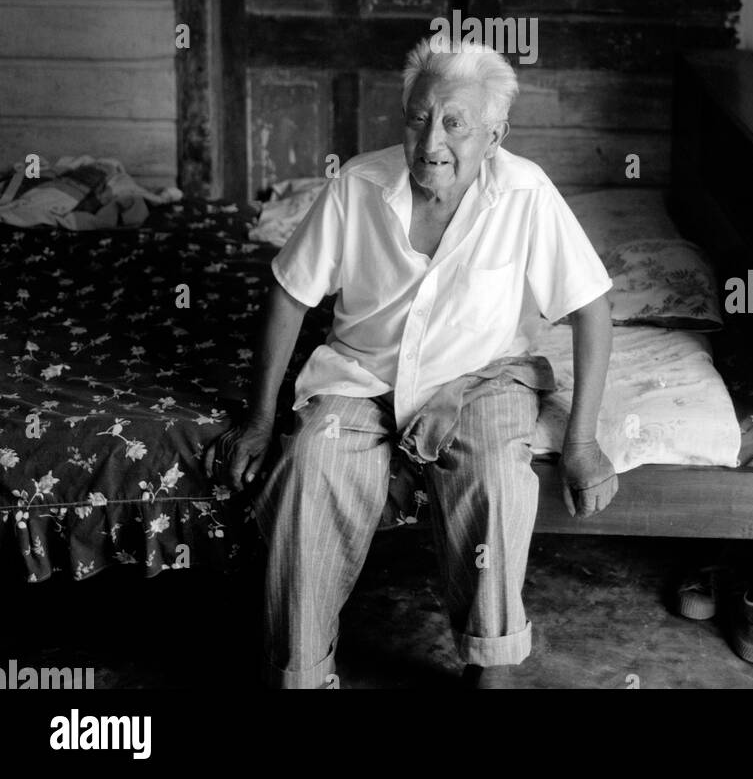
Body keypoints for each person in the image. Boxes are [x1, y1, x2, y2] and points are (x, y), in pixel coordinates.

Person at [205, 37, 618, 689]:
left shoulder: (525, 193)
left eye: (455, 123)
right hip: (364, 375)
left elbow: (592, 309)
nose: (431, 141)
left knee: (498, 479)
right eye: (418, 117)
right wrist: (260, 419)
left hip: (480, 377)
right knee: (310, 464)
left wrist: (584, 440)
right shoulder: (358, 187)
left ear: (494, 134)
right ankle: (300, 672)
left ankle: (492, 664)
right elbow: (288, 295)